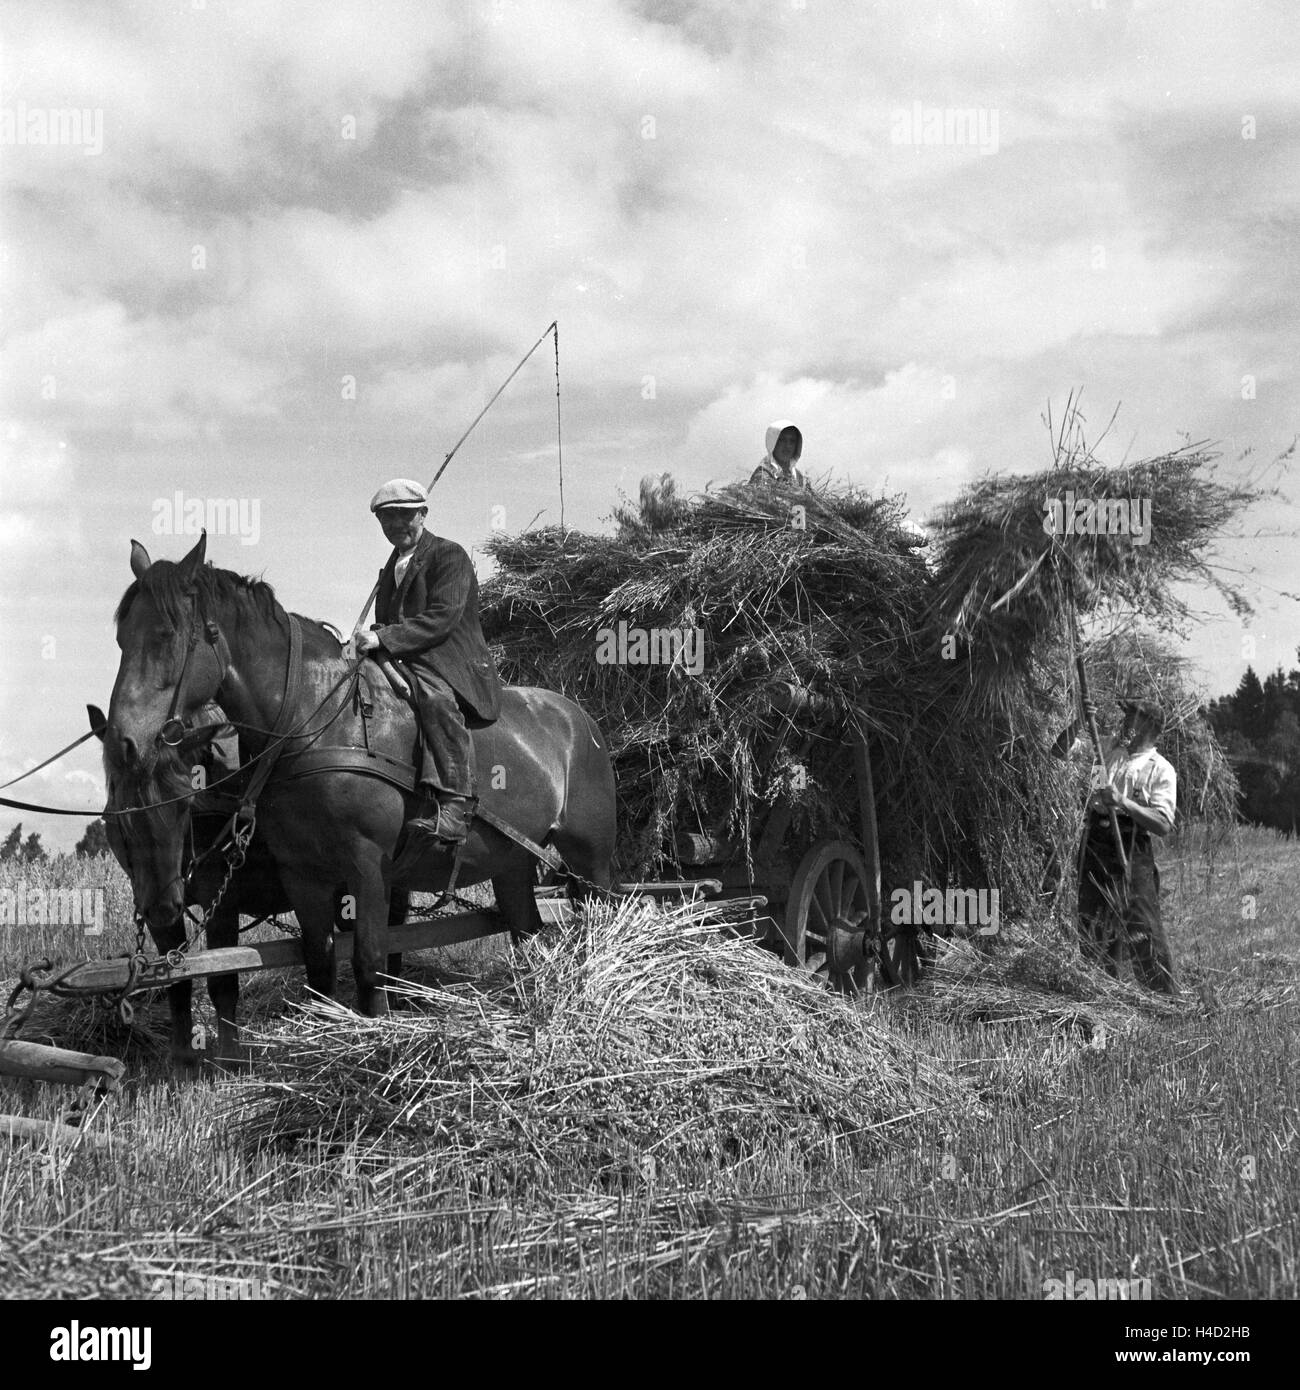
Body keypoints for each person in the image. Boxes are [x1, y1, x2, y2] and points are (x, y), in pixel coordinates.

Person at [352, 479, 503, 848]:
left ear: (423, 514)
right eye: (386, 520)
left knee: (434, 700)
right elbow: (390, 619)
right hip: (409, 656)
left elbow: (442, 618)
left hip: (451, 660)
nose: (394, 527)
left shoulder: (450, 556)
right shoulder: (390, 567)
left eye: (403, 517)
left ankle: (454, 804)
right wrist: (371, 638)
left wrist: (385, 638)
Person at [1051, 691, 1178, 993]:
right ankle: (1101, 994)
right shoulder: (1104, 747)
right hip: (1096, 842)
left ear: (1149, 725)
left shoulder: (1159, 768)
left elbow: (1162, 823)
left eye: (1131, 716)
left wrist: (1122, 801)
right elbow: (1057, 751)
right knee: (1092, 922)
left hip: (1131, 846)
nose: (1124, 721)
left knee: (1142, 925)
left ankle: (1163, 1000)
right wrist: (1081, 720)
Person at [749, 420, 808, 488]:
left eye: (792, 441)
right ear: (772, 443)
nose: (787, 445)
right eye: (782, 440)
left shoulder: (798, 477)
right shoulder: (762, 476)